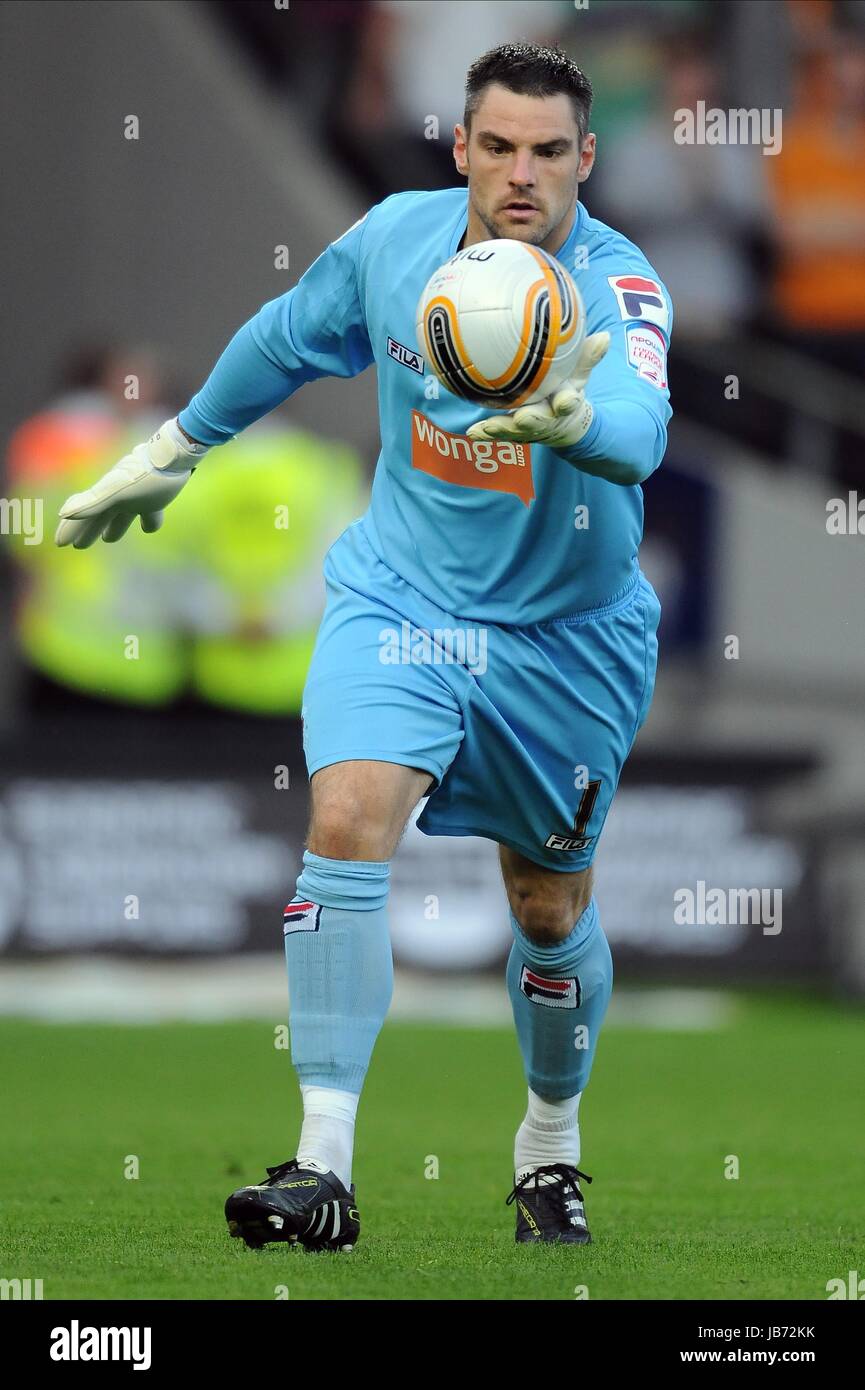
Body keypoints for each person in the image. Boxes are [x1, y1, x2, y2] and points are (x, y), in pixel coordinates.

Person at [55, 43, 673, 1250]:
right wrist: (174, 450)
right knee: (344, 818)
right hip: (400, 602)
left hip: (564, 643)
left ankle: (551, 1145)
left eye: (549, 151)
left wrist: (580, 420)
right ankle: (320, 1167)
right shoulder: (395, 241)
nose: (520, 174)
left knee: (547, 908)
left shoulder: (619, 286)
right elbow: (288, 335)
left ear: (585, 160)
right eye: (496, 145)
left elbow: (643, 429)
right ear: (461, 147)